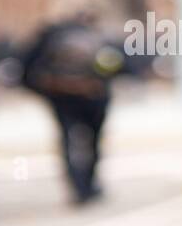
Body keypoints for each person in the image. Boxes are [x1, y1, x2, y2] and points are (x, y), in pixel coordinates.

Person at [20, 10, 119, 204]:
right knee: (93, 140)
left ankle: (78, 186)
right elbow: (119, 66)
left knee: (67, 139)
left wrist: (46, 92)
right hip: (94, 97)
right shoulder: (98, 37)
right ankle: (89, 184)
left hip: (61, 97)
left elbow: (26, 70)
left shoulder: (52, 36)